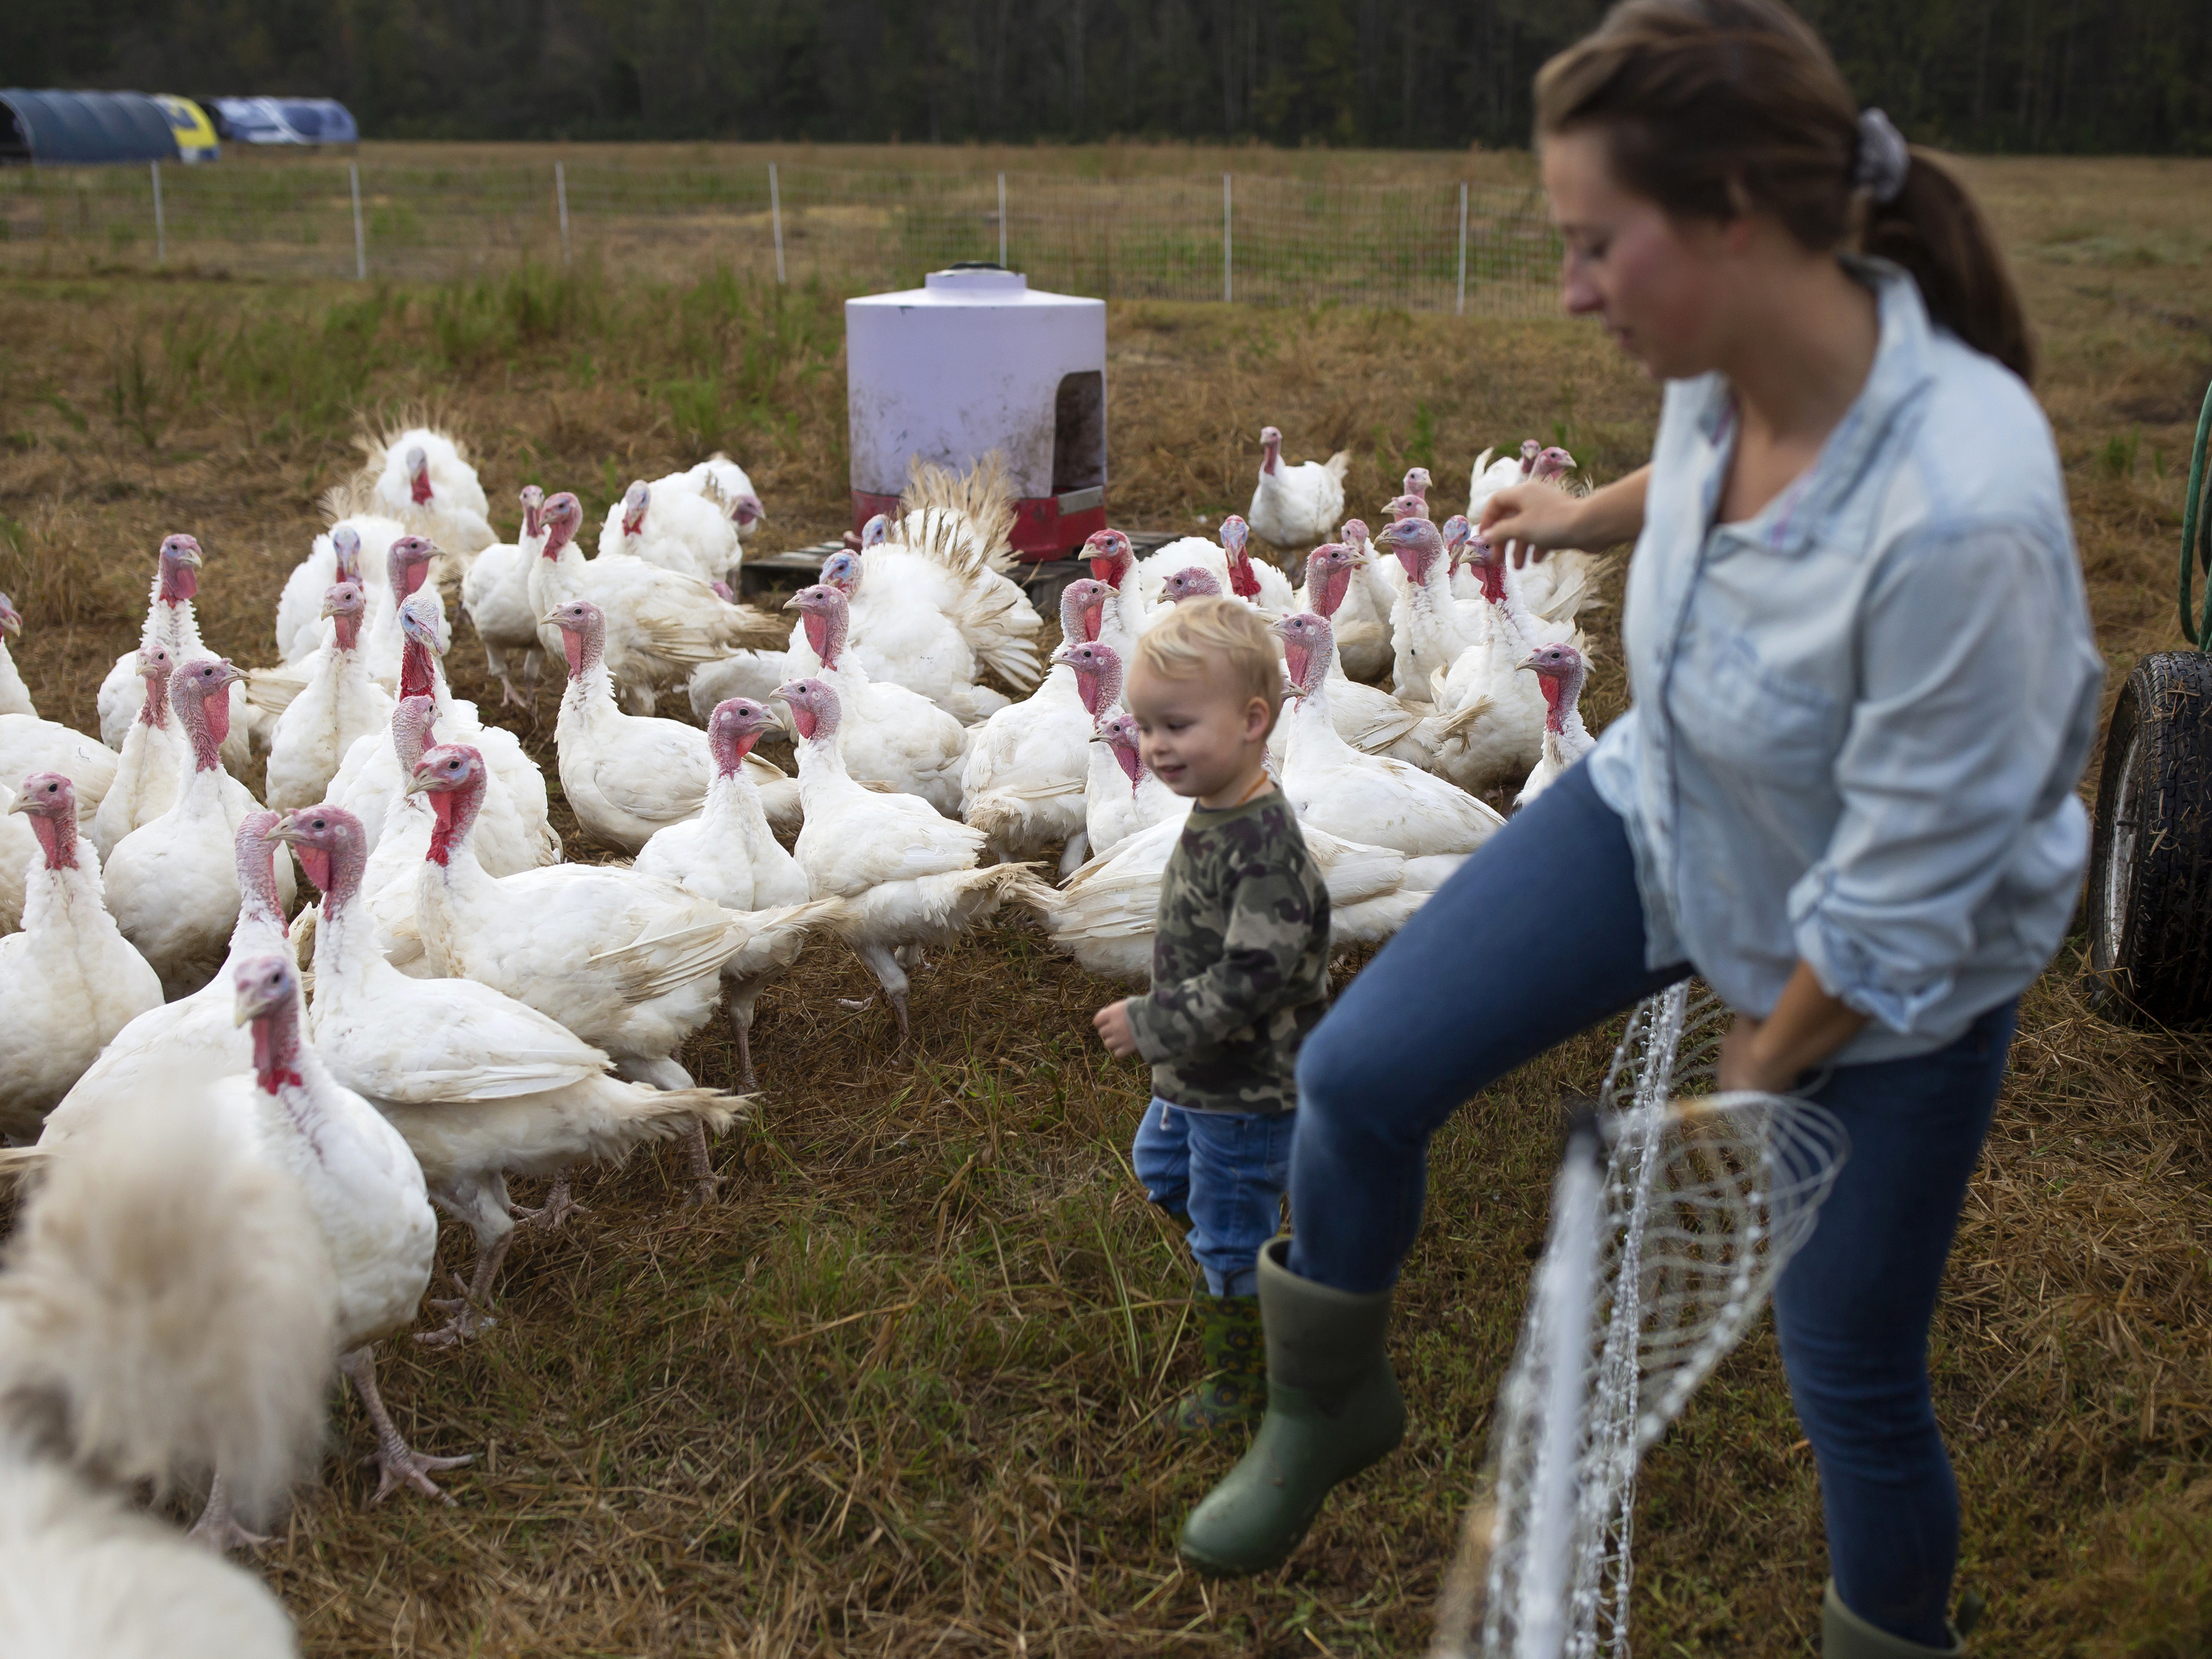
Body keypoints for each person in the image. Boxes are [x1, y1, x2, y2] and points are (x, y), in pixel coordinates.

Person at [1173, 3, 2105, 1654]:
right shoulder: (1740, 343)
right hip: (1670, 804)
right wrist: (1580, 513)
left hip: (1883, 961)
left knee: (1849, 1365)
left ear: (1733, 213)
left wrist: (1763, 1060)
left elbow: (1906, 896)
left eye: (1597, 244)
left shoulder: (1965, 516)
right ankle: (1326, 1400)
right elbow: (1713, 466)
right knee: (1357, 1077)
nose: (1571, 289)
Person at [1091, 597, 1332, 1433]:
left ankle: (1246, 1381)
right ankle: (1270, 1257)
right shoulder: (1216, 807)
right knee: (1161, 1170)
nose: (1156, 746)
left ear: (1253, 721)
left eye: (1178, 726)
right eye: (1146, 726)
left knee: (1225, 1234)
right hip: (1197, 1072)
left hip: (1246, 1084)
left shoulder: (1265, 847)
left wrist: (1153, 1023)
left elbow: (1255, 976)